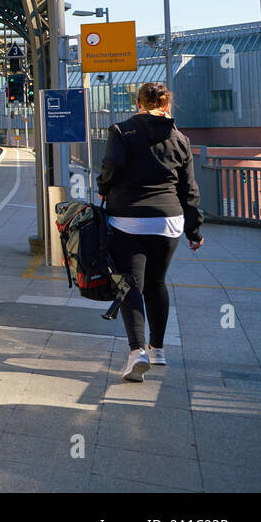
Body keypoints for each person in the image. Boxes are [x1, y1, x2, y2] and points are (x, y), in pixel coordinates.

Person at [97, 81, 203, 382]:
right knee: (157, 282)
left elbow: (112, 164)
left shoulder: (121, 131)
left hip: (128, 219)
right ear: (167, 105)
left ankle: (136, 352)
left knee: (130, 284)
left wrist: (103, 187)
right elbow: (189, 188)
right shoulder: (181, 138)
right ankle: (158, 349)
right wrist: (194, 230)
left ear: (139, 104)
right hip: (169, 220)